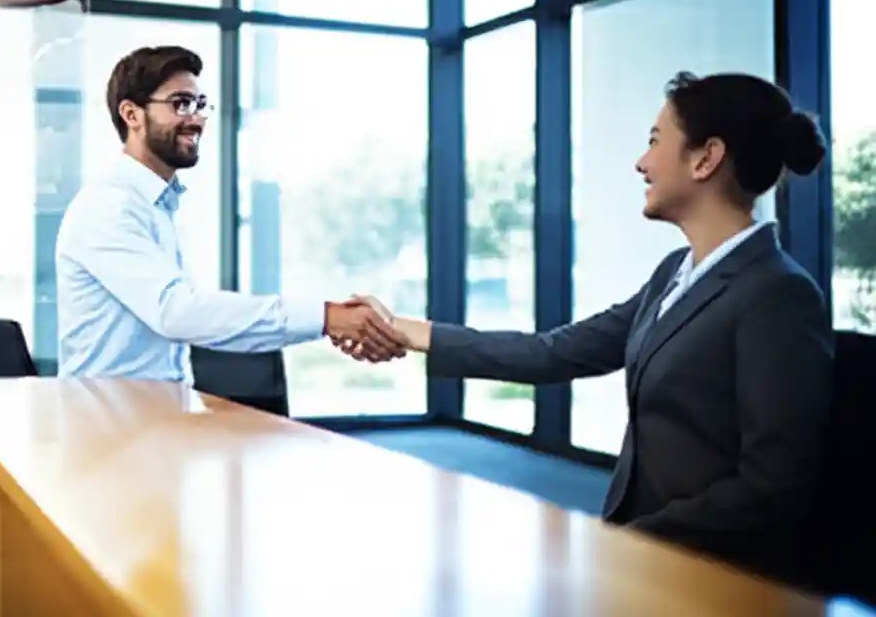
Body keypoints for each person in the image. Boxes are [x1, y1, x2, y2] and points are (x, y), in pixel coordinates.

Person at [348, 71, 834, 579]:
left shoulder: (776, 294)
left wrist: (628, 544)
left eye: (654, 141)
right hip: (642, 563)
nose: (641, 163)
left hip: (708, 577)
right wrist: (402, 329)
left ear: (706, 158)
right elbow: (552, 353)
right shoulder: (674, 273)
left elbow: (771, 485)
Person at [55, 45, 403, 383]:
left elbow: (191, 323)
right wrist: (326, 318)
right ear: (131, 115)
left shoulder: (156, 204)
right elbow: (176, 313)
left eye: (200, 105)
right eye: (180, 104)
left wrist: (330, 320)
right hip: (106, 423)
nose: (196, 120)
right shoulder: (109, 206)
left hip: (153, 415)